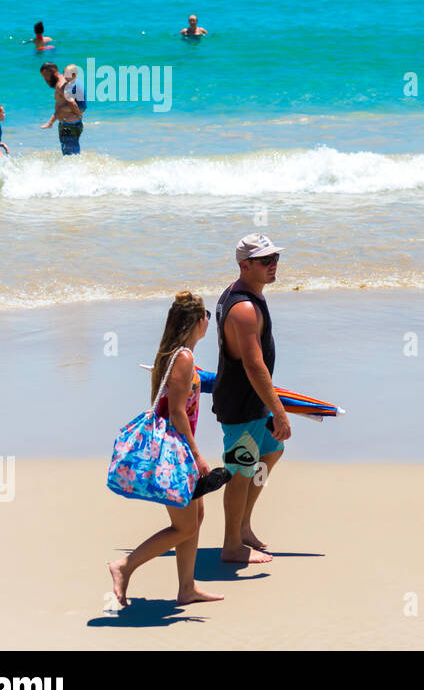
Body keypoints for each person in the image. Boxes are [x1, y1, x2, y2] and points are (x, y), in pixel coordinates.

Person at [108, 292, 224, 607]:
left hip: (176, 445)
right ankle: (124, 566)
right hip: (175, 449)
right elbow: (176, 412)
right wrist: (197, 454)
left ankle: (187, 587)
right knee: (184, 525)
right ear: (198, 321)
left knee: (196, 515)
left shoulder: (175, 354)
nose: (207, 324)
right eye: (207, 318)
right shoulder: (183, 357)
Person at [213, 234, 292, 565]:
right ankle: (231, 545)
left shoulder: (246, 295)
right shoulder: (243, 308)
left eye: (275, 258)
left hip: (254, 401)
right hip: (241, 405)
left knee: (271, 452)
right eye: (265, 261)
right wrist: (280, 411)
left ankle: (243, 527)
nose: (273, 265)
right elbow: (253, 365)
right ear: (245, 266)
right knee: (241, 470)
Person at [38, 62, 84, 154]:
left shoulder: (61, 85)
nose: (45, 80)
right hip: (72, 124)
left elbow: (72, 102)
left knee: (70, 157)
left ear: (53, 71)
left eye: (45, 76)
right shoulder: (64, 82)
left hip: (69, 126)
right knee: (73, 155)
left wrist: (78, 113)